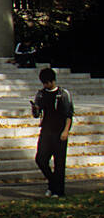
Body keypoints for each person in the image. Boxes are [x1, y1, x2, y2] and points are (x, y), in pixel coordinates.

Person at [31, 67, 73, 197]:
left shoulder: (63, 94)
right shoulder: (41, 94)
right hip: (46, 131)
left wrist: (66, 131)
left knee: (59, 163)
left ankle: (58, 191)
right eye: (44, 83)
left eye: (47, 83)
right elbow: (37, 115)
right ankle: (53, 183)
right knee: (41, 159)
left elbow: (69, 115)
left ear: (52, 81)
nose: (46, 85)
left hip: (59, 131)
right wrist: (35, 109)